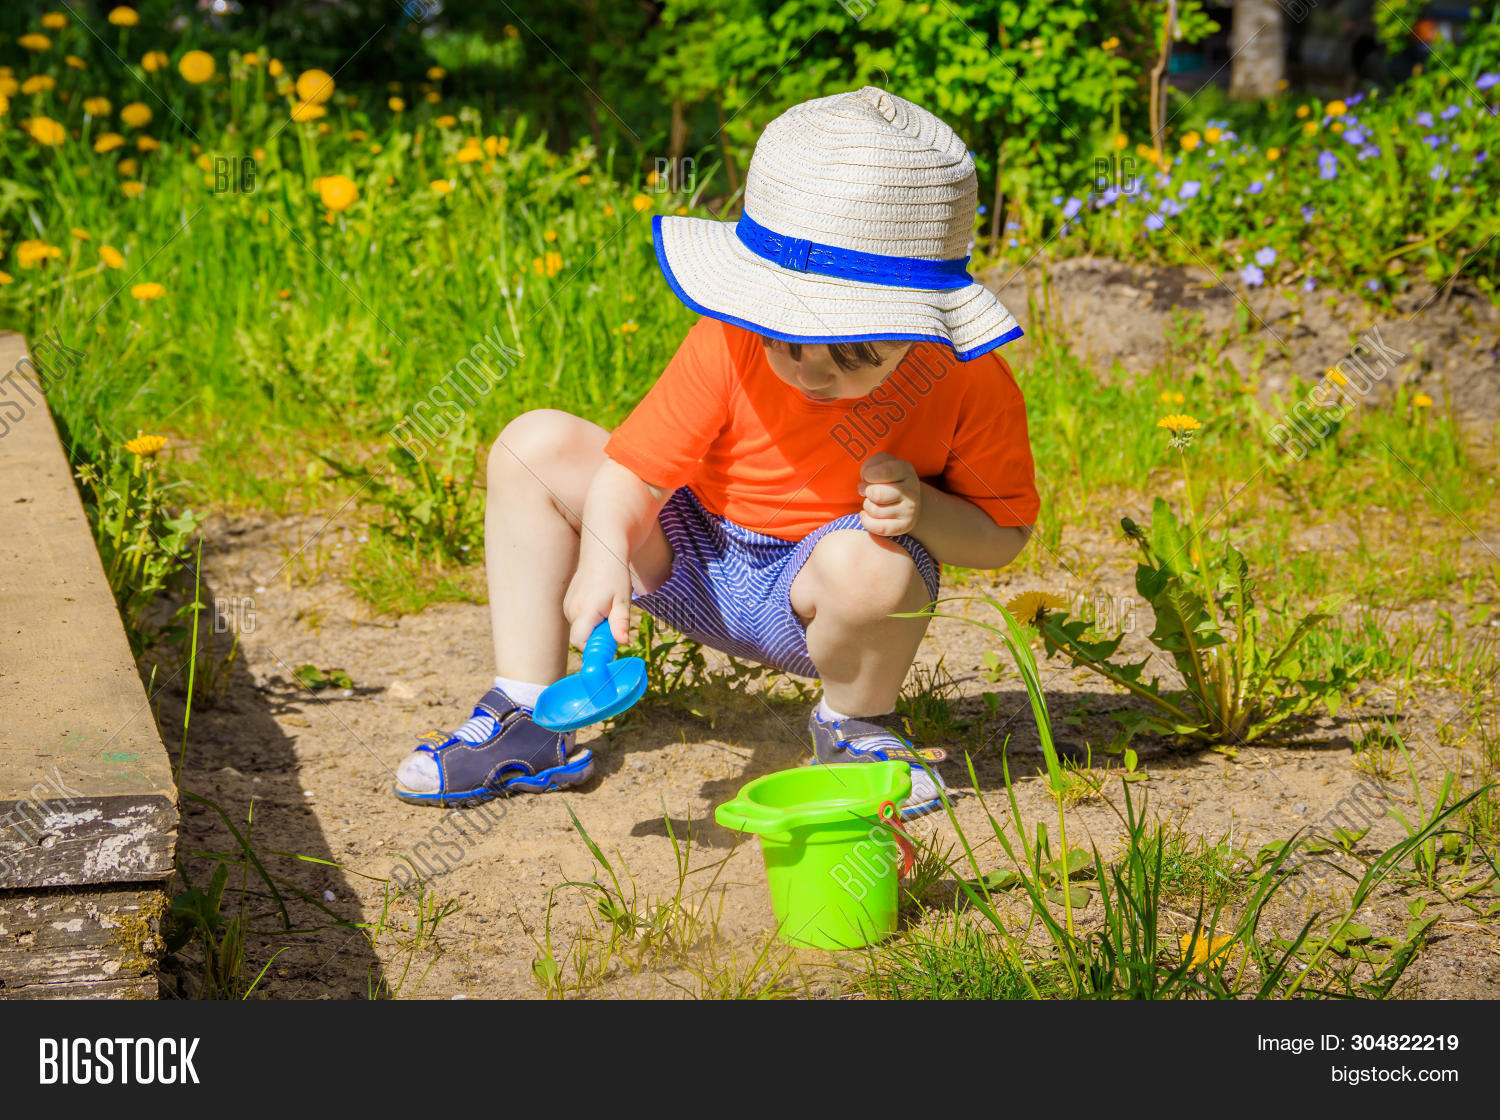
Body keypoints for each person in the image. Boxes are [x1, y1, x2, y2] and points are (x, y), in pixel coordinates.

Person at [394, 86, 1038, 817]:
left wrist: (923, 510)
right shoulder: (728, 340)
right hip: (691, 554)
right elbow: (632, 474)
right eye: (786, 340)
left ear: (924, 322)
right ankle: (529, 715)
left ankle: (853, 726)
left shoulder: (969, 380)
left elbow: (1003, 538)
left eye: (857, 349)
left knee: (873, 567)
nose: (814, 372)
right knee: (533, 444)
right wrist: (606, 555)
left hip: (820, 592)